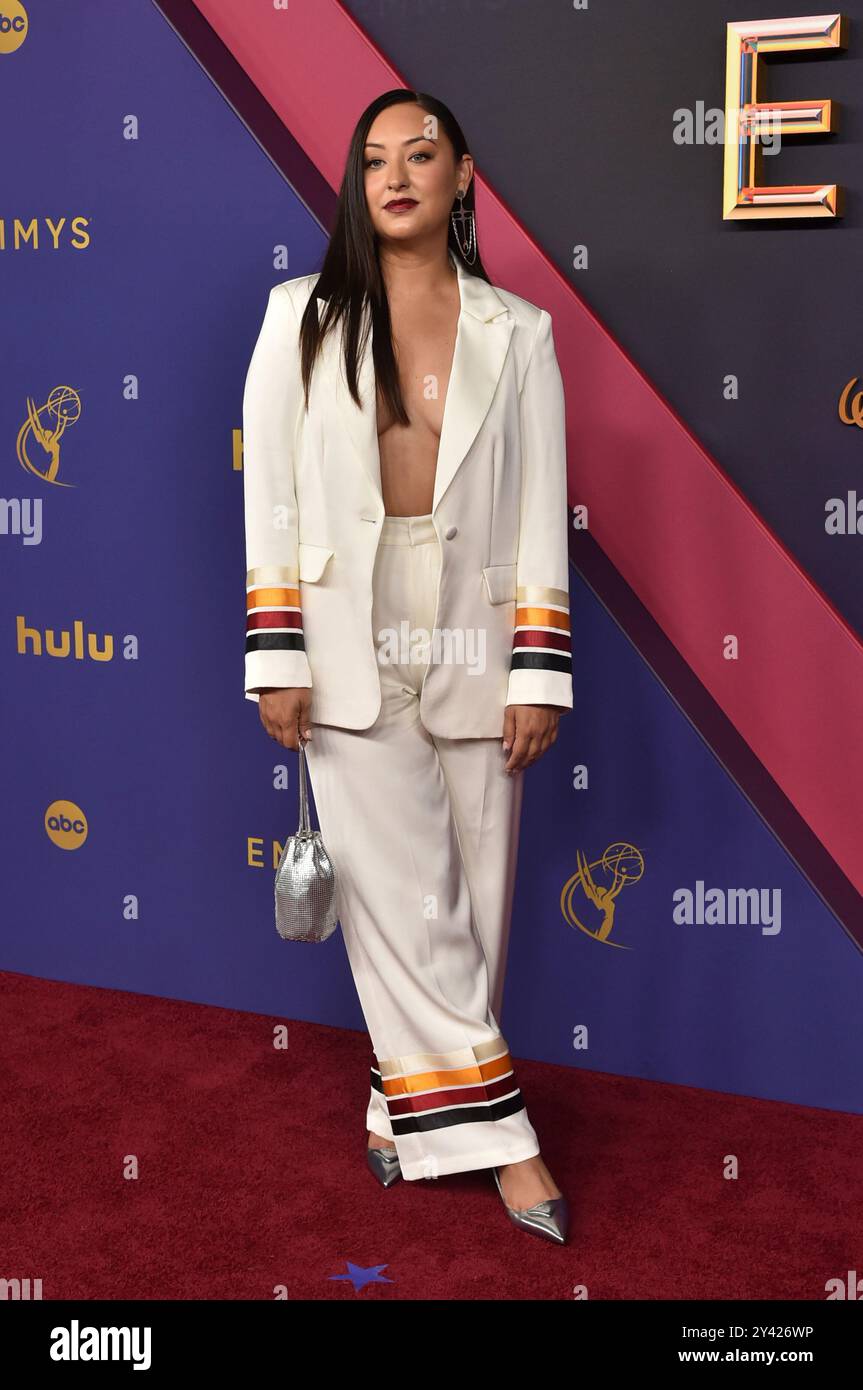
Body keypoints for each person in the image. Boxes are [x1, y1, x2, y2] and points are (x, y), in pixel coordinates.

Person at [242, 89, 573, 1245]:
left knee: (473, 897)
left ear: (462, 174)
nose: (394, 173)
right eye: (373, 157)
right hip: (342, 630)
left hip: (479, 632)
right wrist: (276, 651)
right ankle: (509, 1142)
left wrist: (536, 671)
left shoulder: (516, 333)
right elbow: (269, 500)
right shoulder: (297, 318)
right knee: (402, 898)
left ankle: (400, 1098)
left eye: (418, 154)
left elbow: (539, 512)